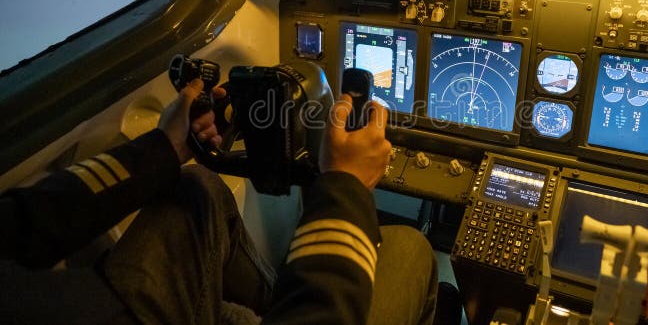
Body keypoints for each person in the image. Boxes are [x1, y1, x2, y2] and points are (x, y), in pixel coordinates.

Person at [0, 78, 439, 324]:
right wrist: (345, 186)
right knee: (410, 248)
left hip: (106, 304)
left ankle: (284, 304)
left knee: (198, 189)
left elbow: (23, 223)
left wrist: (163, 150)